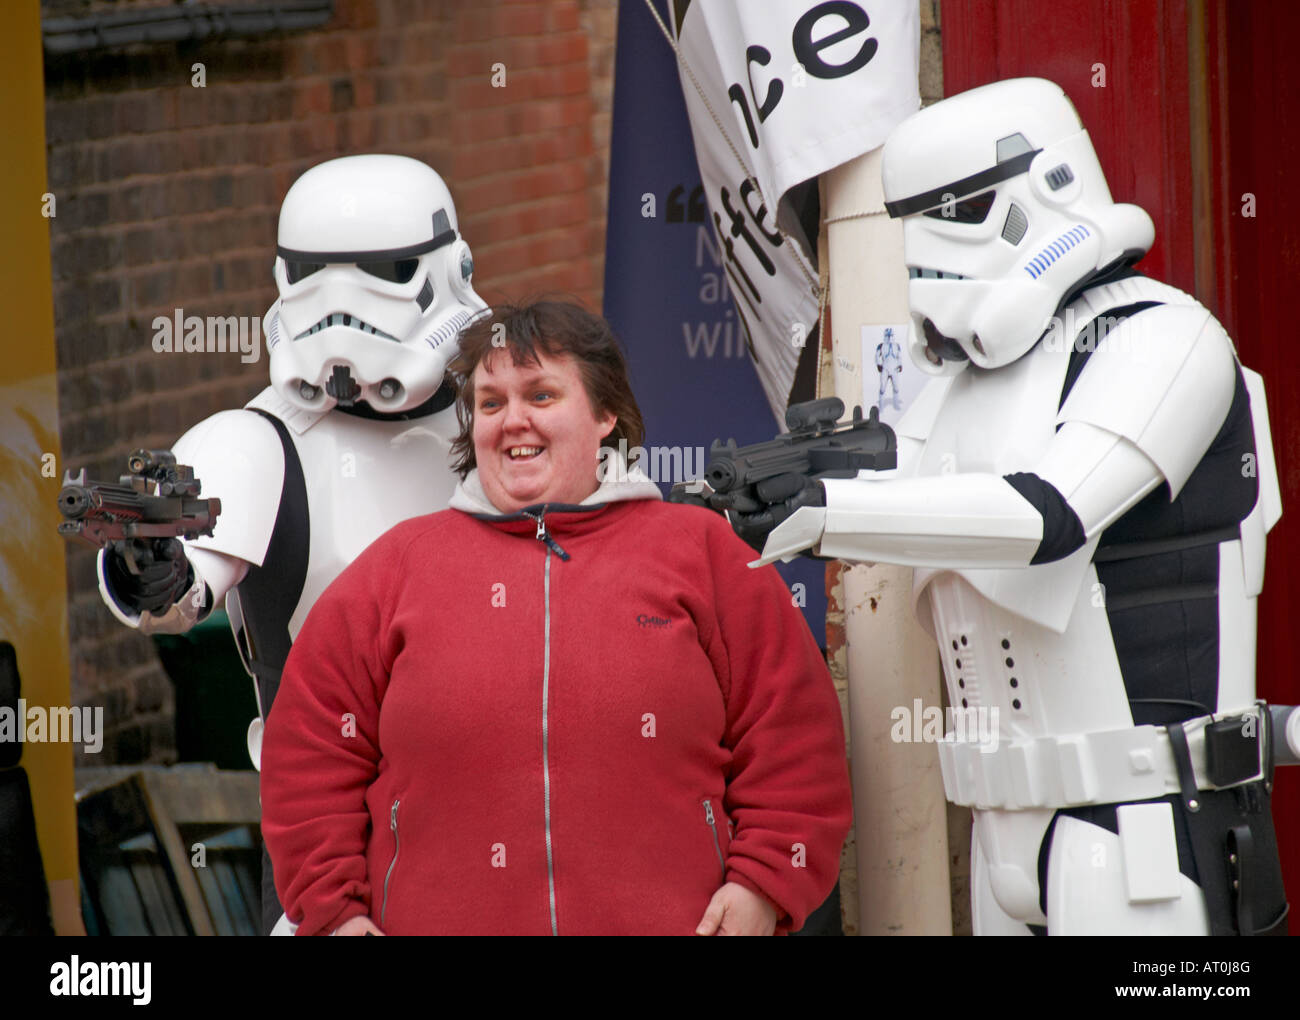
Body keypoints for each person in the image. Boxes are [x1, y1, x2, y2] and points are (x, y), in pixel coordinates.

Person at [731, 77, 1298, 935]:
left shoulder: (1164, 336)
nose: (925, 257)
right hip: (1006, 837)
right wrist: (772, 495)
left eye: (952, 212)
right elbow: (899, 487)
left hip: (1147, 822)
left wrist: (823, 508)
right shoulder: (957, 393)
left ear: (1049, 186)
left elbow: (1047, 516)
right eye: (911, 227)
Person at [261, 300, 853, 935]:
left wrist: (761, 886)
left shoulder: (702, 554)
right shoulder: (395, 571)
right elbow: (310, 755)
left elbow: (795, 741)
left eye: (540, 395)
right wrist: (335, 916)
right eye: (490, 403)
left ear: (604, 417)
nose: (513, 419)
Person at [95, 154, 488, 932]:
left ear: (449, 267)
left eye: (383, 272)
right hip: (337, 859)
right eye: (313, 275)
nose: (343, 309)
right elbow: (172, 592)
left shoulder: (502, 423)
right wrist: (155, 561)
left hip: (502, 839)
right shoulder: (258, 444)